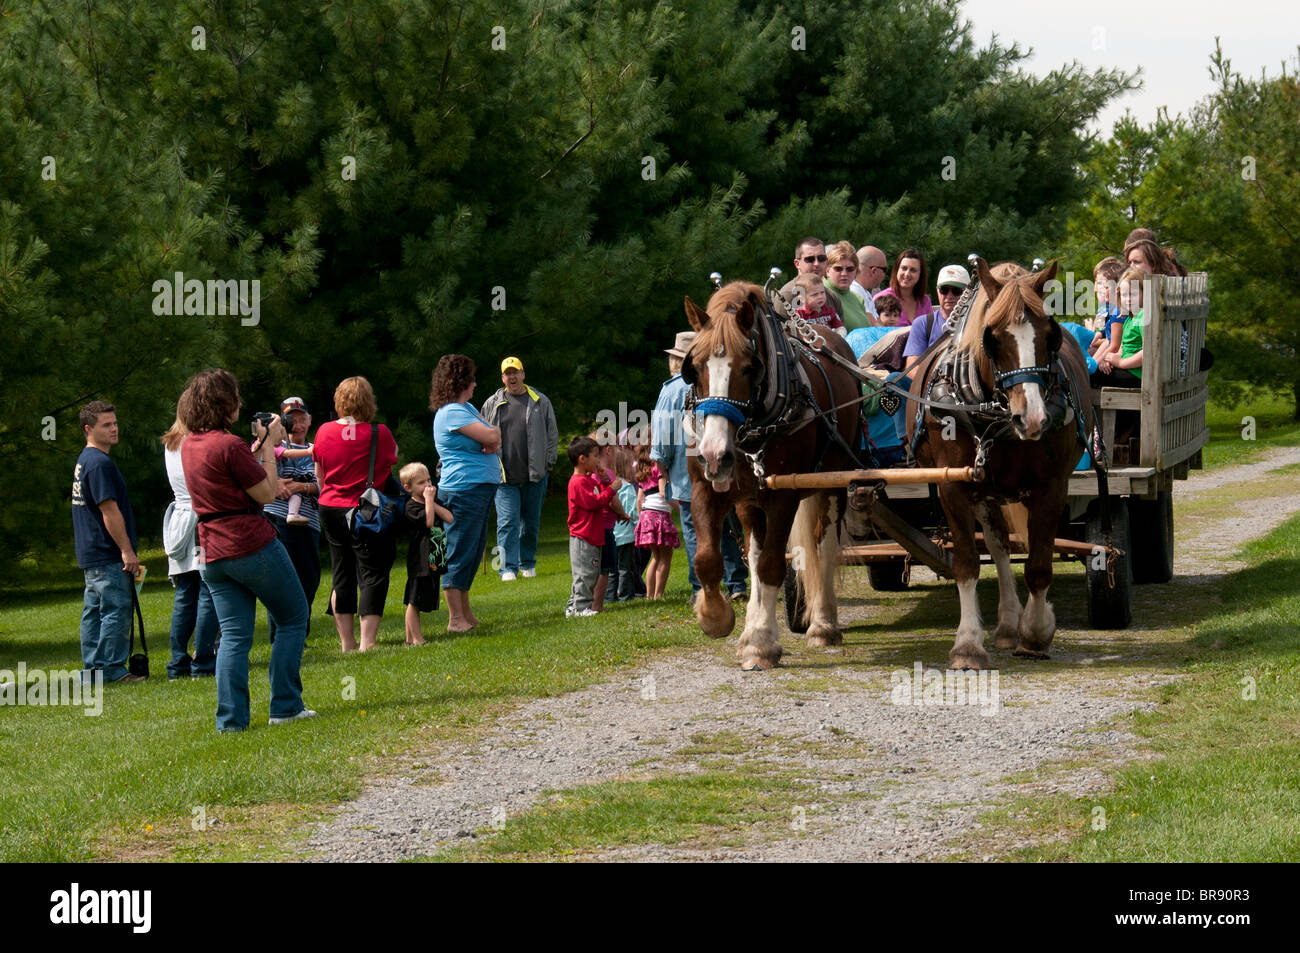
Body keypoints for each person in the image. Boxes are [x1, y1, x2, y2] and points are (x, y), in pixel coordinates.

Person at [178, 369, 312, 732]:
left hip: (211, 549)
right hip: (248, 542)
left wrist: (258, 448)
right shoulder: (229, 445)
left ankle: (231, 722)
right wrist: (268, 446)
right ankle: (285, 706)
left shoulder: (190, 444)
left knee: (235, 635)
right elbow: (267, 494)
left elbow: (231, 477)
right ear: (224, 404)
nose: (239, 402)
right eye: (234, 396)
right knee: (293, 617)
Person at [650, 332, 748, 602]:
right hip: (725, 464)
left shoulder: (671, 391)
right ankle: (736, 582)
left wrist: (661, 471)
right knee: (728, 526)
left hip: (686, 471)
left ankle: (702, 588)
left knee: (697, 530)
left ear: (676, 361)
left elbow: (663, 435)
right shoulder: (718, 383)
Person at [313, 376, 399, 652]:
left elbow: (320, 474)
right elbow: (390, 462)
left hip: (330, 506)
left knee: (342, 573)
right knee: (372, 572)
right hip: (364, 510)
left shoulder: (323, 432)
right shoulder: (380, 433)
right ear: (368, 401)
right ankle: (368, 642)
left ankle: (347, 643)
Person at [72, 401, 144, 684]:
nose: (114, 429)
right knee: (115, 609)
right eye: (106, 425)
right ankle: (112, 670)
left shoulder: (85, 460)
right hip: (107, 551)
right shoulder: (100, 463)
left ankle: (92, 670)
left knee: (93, 612)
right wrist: (127, 550)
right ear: (88, 429)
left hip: (91, 551)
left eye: (115, 423)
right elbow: (108, 510)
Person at [430, 355, 501, 633]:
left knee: (472, 550)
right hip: (463, 490)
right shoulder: (451, 412)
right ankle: (455, 619)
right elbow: (493, 437)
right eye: (471, 379)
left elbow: (494, 433)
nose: (475, 384)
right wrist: (491, 437)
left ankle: (466, 613)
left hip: (478, 489)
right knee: (459, 550)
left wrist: (491, 436)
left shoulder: (467, 407)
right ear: (460, 382)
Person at [480, 356, 558, 581]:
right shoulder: (491, 403)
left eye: (516, 372)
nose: (512, 377)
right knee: (507, 523)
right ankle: (507, 568)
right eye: (507, 374)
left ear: (523, 374)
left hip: (535, 474)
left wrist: (548, 464)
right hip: (504, 475)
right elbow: (482, 434)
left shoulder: (540, 401)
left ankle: (527, 563)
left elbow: (552, 435)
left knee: (530, 523)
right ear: (502, 377)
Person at [161, 417, 219, 680]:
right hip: (199, 521)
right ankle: (203, 661)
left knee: (186, 593)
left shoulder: (172, 442)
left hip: (181, 522)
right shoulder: (195, 442)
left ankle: (178, 663)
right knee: (207, 591)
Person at [262, 396, 322, 644]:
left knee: (309, 578)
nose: (298, 425)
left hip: (308, 522)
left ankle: (298, 633)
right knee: (281, 579)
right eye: (292, 420)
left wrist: (301, 487)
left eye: (302, 419)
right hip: (277, 519)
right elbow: (254, 473)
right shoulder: (272, 446)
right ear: (283, 422)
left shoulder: (317, 449)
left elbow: (326, 485)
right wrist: (274, 483)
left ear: (309, 420)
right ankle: (280, 635)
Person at [398, 462, 454, 645]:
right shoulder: (411, 507)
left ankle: (409, 638)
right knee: (414, 600)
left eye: (429, 480)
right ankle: (417, 639)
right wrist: (429, 500)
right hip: (420, 559)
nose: (428, 485)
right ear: (408, 488)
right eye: (421, 483)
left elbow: (449, 517)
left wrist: (431, 501)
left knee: (422, 597)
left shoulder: (432, 501)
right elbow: (429, 522)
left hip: (434, 556)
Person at [566, 435, 618, 617]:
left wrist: (604, 481)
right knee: (585, 574)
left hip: (593, 535)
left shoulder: (588, 480)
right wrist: (612, 488)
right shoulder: (578, 482)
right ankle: (580, 607)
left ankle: (575, 606)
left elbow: (599, 494)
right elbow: (594, 502)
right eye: (595, 456)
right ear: (582, 459)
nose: (598, 460)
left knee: (591, 572)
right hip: (583, 536)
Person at [589, 429, 631, 612]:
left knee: (593, 568)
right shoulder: (608, 474)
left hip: (593, 528)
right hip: (605, 528)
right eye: (614, 448)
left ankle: (589, 603)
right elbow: (613, 501)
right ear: (607, 450)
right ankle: (598, 605)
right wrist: (623, 514)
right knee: (605, 569)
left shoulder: (591, 473)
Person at [902, 263, 969, 372]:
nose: (949, 296)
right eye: (944, 290)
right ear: (938, 291)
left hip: (966, 384)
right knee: (893, 378)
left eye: (956, 291)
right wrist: (936, 387)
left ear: (968, 293)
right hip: (928, 384)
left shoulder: (977, 324)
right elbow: (912, 367)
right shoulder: (923, 323)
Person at [633, 443, 677, 600]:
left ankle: (649, 596)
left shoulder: (642, 472)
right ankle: (658, 595)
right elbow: (664, 492)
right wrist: (680, 508)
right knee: (666, 556)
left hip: (646, 515)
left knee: (656, 557)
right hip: (660, 515)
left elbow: (639, 500)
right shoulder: (659, 468)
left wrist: (642, 521)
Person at [1091, 267, 1146, 389]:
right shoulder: (1129, 318)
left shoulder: (1142, 316)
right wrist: (1108, 359)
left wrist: (1120, 363)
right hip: (1129, 369)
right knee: (1096, 369)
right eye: (1125, 295)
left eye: (1134, 294)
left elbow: (1148, 351)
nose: (1129, 299)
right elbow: (1125, 347)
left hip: (1138, 374)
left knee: (1089, 375)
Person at [779, 237, 843, 319]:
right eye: (810, 259)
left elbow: (840, 329)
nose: (816, 264)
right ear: (797, 264)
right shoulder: (786, 296)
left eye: (821, 258)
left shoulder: (832, 296)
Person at [612, 446, 644, 601]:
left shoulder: (613, 486)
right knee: (626, 567)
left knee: (613, 568)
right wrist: (641, 526)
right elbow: (633, 510)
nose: (633, 468)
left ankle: (611, 594)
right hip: (626, 535)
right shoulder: (627, 488)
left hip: (613, 534)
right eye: (630, 465)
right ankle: (626, 595)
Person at [824, 241, 873, 330]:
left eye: (850, 269)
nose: (844, 273)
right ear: (827, 271)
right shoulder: (821, 294)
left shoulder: (858, 298)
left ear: (856, 271)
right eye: (838, 269)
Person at [887, 248, 932, 327]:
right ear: (896, 270)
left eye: (913, 270)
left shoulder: (925, 301)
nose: (907, 274)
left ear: (920, 275)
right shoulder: (883, 298)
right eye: (904, 268)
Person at [854, 245, 888, 322]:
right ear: (874, 271)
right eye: (884, 270)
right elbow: (874, 325)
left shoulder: (865, 292)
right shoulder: (855, 292)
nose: (884, 275)